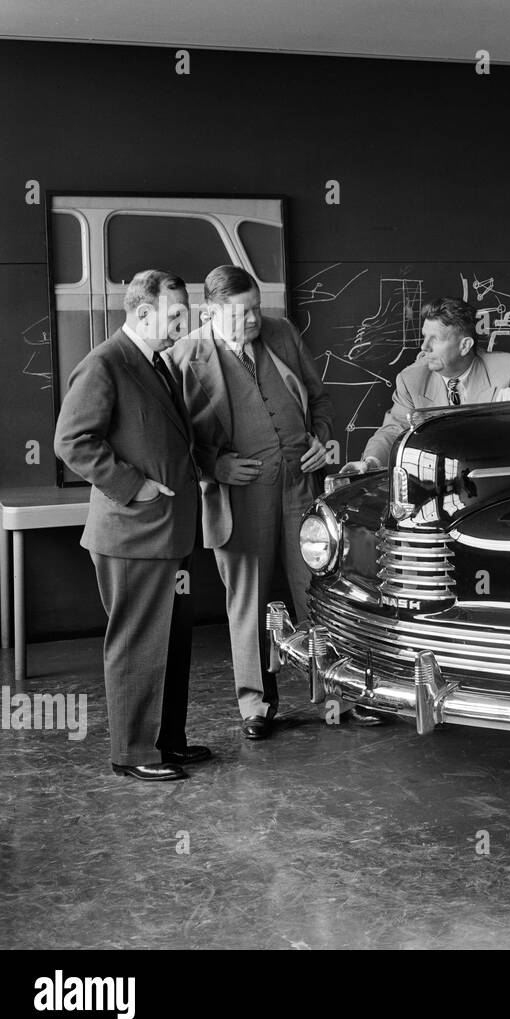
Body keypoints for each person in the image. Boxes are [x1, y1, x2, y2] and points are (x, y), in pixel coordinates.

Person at [170, 265, 340, 739]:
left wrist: (321, 439)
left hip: (300, 485)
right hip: (239, 494)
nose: (253, 320)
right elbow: (174, 437)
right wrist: (215, 467)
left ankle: (333, 694)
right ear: (212, 311)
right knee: (249, 600)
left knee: (317, 591)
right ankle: (256, 706)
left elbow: (321, 400)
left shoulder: (282, 332)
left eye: (256, 308)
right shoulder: (185, 355)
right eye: (242, 313)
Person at [53, 269, 206, 781]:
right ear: (143, 312)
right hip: (133, 531)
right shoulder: (104, 363)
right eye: (175, 313)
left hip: (169, 533)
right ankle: (134, 753)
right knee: (138, 643)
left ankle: (167, 742)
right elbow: (73, 442)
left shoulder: (158, 363)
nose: (185, 323)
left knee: (170, 641)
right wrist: (133, 485)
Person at [339, 297, 510, 474]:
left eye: (435, 340)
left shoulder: (505, 367)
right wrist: (371, 462)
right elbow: (392, 430)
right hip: (436, 484)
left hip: (492, 477)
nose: (424, 348)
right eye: (424, 337)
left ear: (465, 346)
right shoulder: (411, 379)